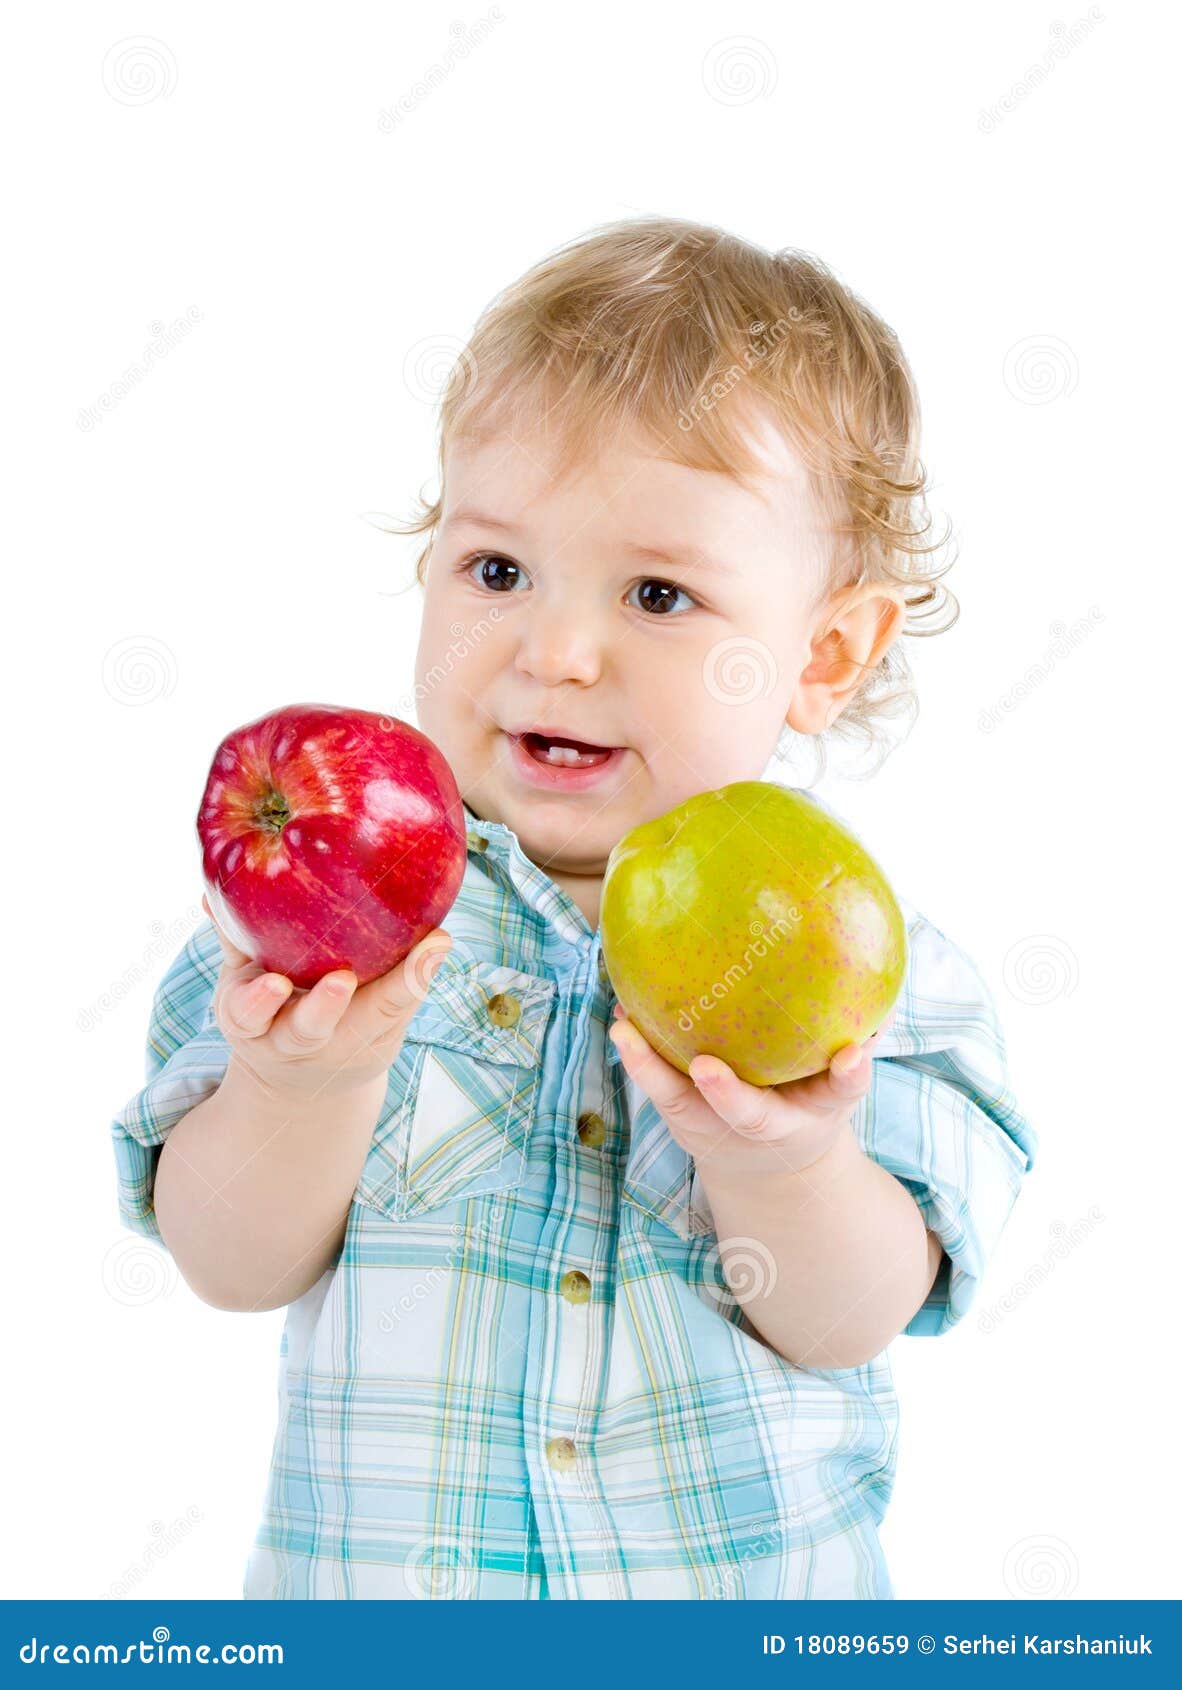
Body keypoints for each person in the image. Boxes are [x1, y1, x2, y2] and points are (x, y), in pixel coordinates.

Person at [111, 215, 1036, 1599]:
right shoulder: (322, 940)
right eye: (496, 571)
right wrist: (300, 1087)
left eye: (658, 593)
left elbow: (851, 1318)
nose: (555, 650)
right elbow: (228, 1264)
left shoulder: (865, 966)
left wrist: (782, 1163)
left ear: (822, 652)